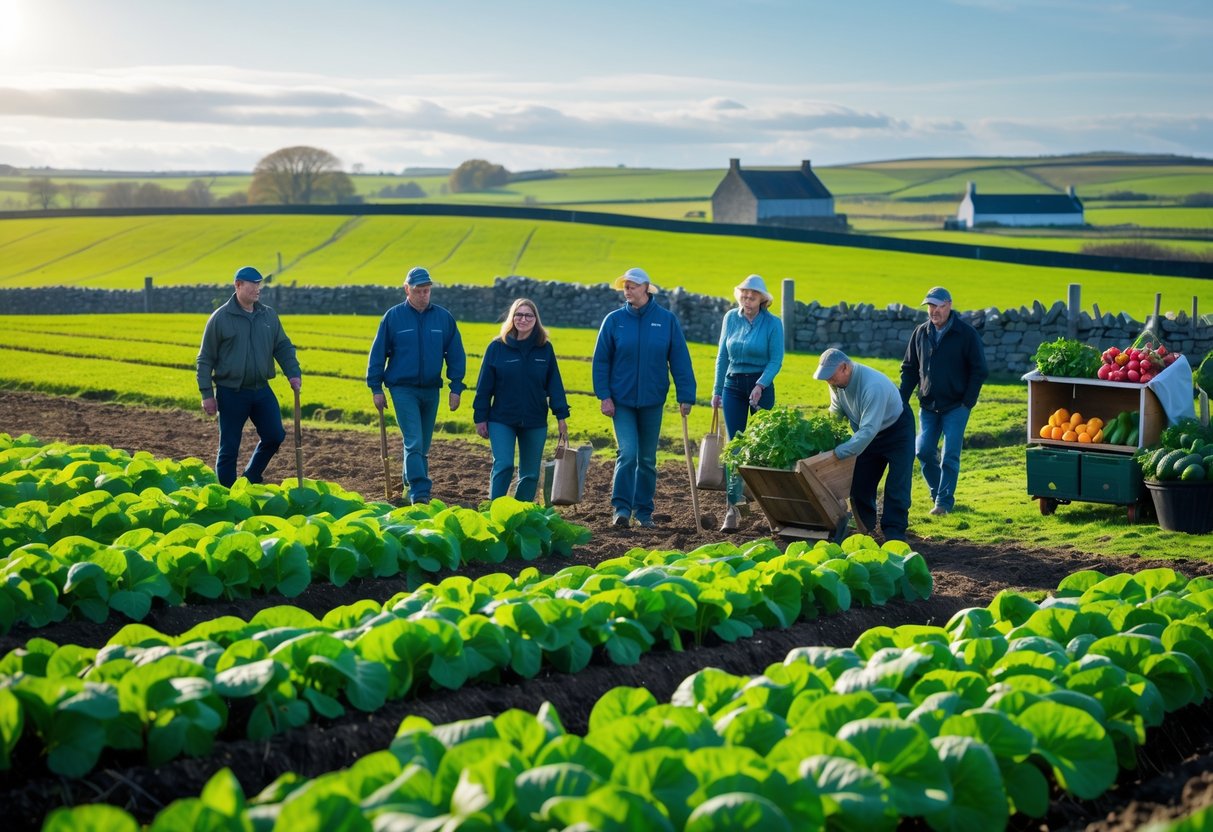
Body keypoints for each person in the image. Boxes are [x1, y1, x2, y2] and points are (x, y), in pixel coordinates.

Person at [592, 267, 696, 528]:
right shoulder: (614, 321)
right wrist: (604, 395)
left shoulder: (666, 320)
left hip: (652, 401)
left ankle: (644, 511)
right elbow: (601, 361)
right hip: (622, 401)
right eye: (625, 286)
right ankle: (621, 509)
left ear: (646, 288)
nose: (627, 289)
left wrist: (686, 395)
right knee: (628, 453)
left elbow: (680, 360)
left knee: (647, 459)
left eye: (633, 285)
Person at [366, 266, 466, 504]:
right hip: (402, 389)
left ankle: (408, 484)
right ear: (406, 289)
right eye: (418, 290)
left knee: (423, 445)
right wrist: (376, 388)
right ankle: (420, 493)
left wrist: (456, 386)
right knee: (414, 441)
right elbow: (378, 353)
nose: (423, 295)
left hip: (431, 389)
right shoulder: (393, 317)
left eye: (427, 290)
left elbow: (455, 353)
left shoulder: (443, 318)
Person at [196, 266, 301, 488]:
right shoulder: (221, 318)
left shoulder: (268, 315)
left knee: (275, 435)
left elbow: (282, 346)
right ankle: (226, 495)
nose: (257, 288)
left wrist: (293, 373)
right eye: (252, 283)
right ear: (238, 285)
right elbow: (205, 359)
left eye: (259, 284)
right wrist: (207, 394)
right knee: (230, 447)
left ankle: (250, 478)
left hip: (261, 390)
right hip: (231, 391)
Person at [900, 286, 988, 516]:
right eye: (930, 306)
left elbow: (979, 370)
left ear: (949, 305)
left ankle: (943, 503)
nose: (934, 311)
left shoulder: (966, 334)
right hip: (928, 405)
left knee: (950, 455)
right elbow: (909, 369)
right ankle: (938, 492)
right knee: (924, 451)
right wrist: (901, 400)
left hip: (956, 406)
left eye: (939, 306)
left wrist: (967, 402)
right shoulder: (920, 333)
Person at [473, 298, 570, 502]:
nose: (523, 319)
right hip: (501, 418)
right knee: (504, 465)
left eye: (528, 315)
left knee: (531, 474)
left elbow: (555, 385)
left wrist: (562, 416)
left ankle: (519, 514)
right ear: (512, 318)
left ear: (536, 320)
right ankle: (495, 510)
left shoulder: (545, 349)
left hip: (535, 420)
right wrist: (480, 417)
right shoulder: (497, 347)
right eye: (518, 314)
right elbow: (484, 387)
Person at [814, 348, 914, 542]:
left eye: (831, 376)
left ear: (845, 368)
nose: (829, 381)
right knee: (860, 482)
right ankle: (865, 528)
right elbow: (836, 410)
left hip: (896, 430)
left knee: (897, 483)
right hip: (867, 430)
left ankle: (894, 532)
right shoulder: (836, 384)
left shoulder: (872, 385)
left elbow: (868, 430)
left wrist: (837, 452)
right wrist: (826, 439)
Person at [711, 274, 784, 532]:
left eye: (752, 296)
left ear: (762, 299)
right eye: (744, 294)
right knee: (736, 446)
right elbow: (722, 356)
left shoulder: (773, 324)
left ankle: (772, 510)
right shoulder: (730, 318)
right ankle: (733, 509)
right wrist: (717, 390)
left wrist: (760, 385)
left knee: (764, 447)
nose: (747, 299)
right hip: (733, 385)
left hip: (761, 386)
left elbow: (776, 360)